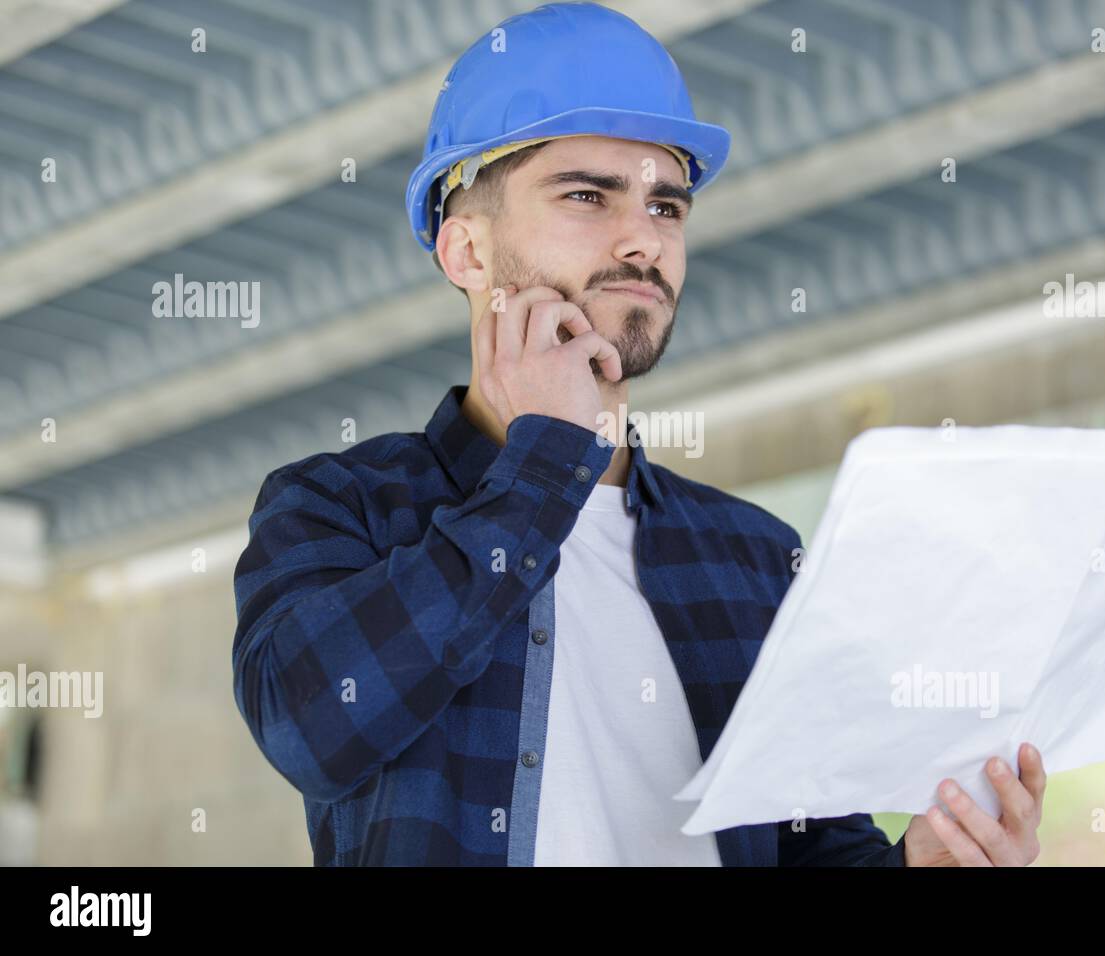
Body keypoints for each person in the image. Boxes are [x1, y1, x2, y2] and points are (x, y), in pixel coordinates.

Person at [232, 1, 1044, 866]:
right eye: (588, 196)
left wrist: (926, 863)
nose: (643, 241)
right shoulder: (339, 506)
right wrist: (543, 465)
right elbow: (312, 730)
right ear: (466, 253)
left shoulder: (755, 558)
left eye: (667, 206)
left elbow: (815, 846)